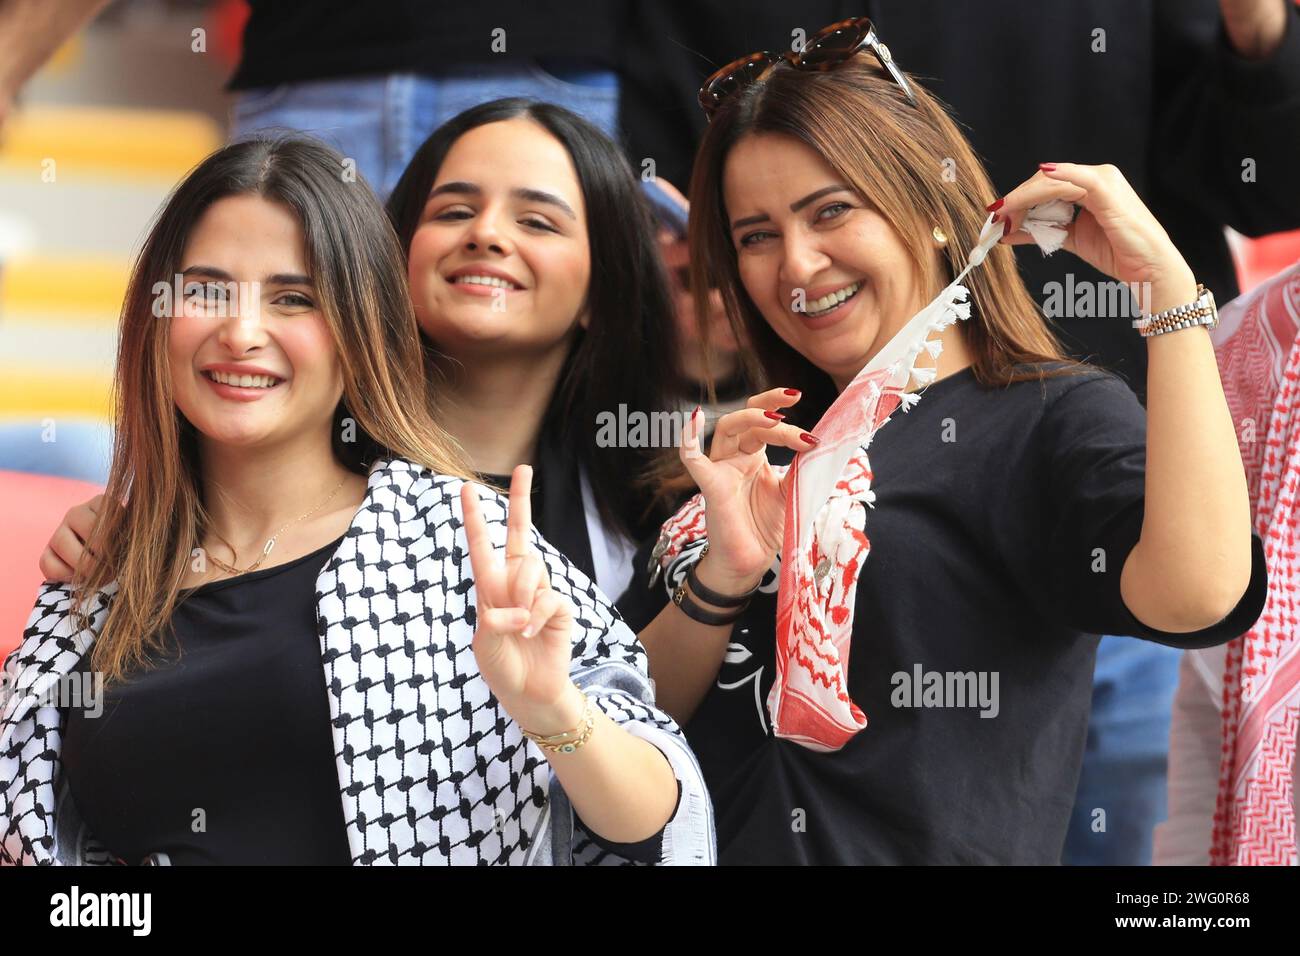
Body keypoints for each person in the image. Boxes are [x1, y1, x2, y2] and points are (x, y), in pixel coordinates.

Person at [619, 19, 1268, 864]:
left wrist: (1169, 297)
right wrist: (720, 578)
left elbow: (1198, 597)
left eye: (832, 212)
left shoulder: (1047, 416)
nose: (799, 264)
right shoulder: (750, 443)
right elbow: (623, 721)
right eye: (756, 236)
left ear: (930, 208)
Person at [0, 135, 712, 866]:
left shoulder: (462, 540)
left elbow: (665, 819)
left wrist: (555, 713)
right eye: (207, 291)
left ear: (358, 330)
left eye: (293, 299)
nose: (241, 332)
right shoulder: (103, 569)